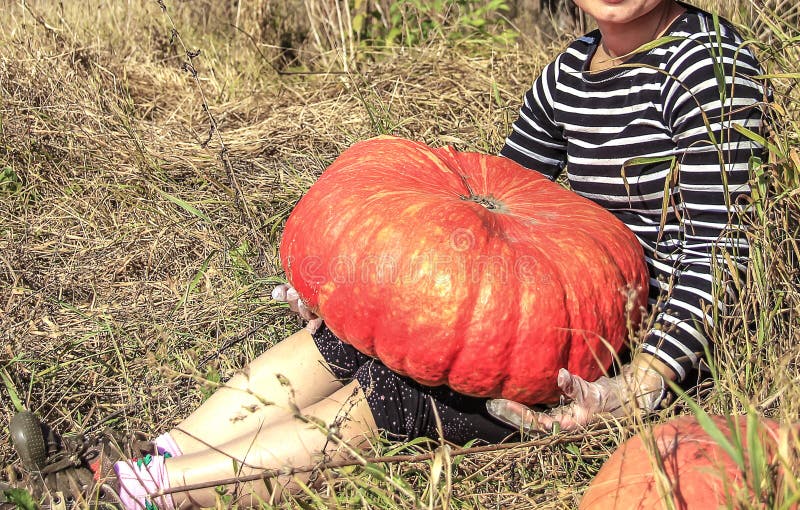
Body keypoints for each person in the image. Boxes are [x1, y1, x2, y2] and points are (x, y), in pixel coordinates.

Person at [5, 0, 768, 508]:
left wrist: (642, 381)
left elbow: (720, 246)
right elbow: (493, 202)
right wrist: (361, 284)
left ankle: (129, 496)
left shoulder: (705, 64)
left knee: (391, 398)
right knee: (336, 341)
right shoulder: (568, 71)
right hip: (538, 296)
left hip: (614, 337)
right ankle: (146, 461)